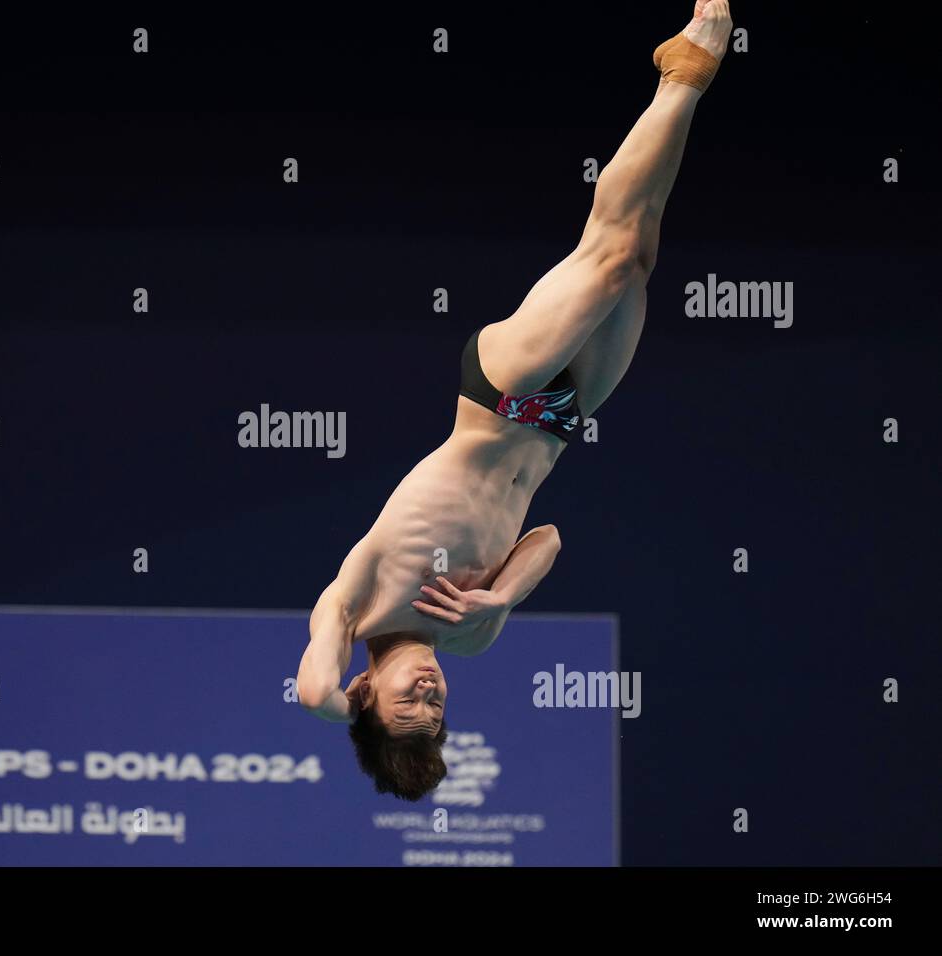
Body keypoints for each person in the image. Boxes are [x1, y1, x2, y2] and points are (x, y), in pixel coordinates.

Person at [296, 1, 733, 800]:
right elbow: (549, 537)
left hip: (498, 397)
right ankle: (683, 85)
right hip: (561, 422)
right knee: (637, 259)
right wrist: (497, 595)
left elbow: (314, 688)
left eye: (407, 705)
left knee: (603, 257)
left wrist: (334, 706)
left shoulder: (355, 607)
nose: (428, 692)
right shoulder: (472, 638)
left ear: (367, 696)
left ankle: (686, 74)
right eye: (437, 711)